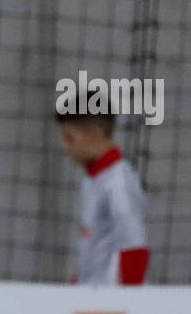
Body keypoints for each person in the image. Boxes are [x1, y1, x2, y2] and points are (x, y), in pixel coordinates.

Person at [55, 106, 150, 284]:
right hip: (91, 297)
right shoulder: (93, 179)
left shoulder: (118, 182)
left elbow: (135, 249)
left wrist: (131, 303)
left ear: (95, 134)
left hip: (110, 302)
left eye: (70, 139)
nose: (67, 149)